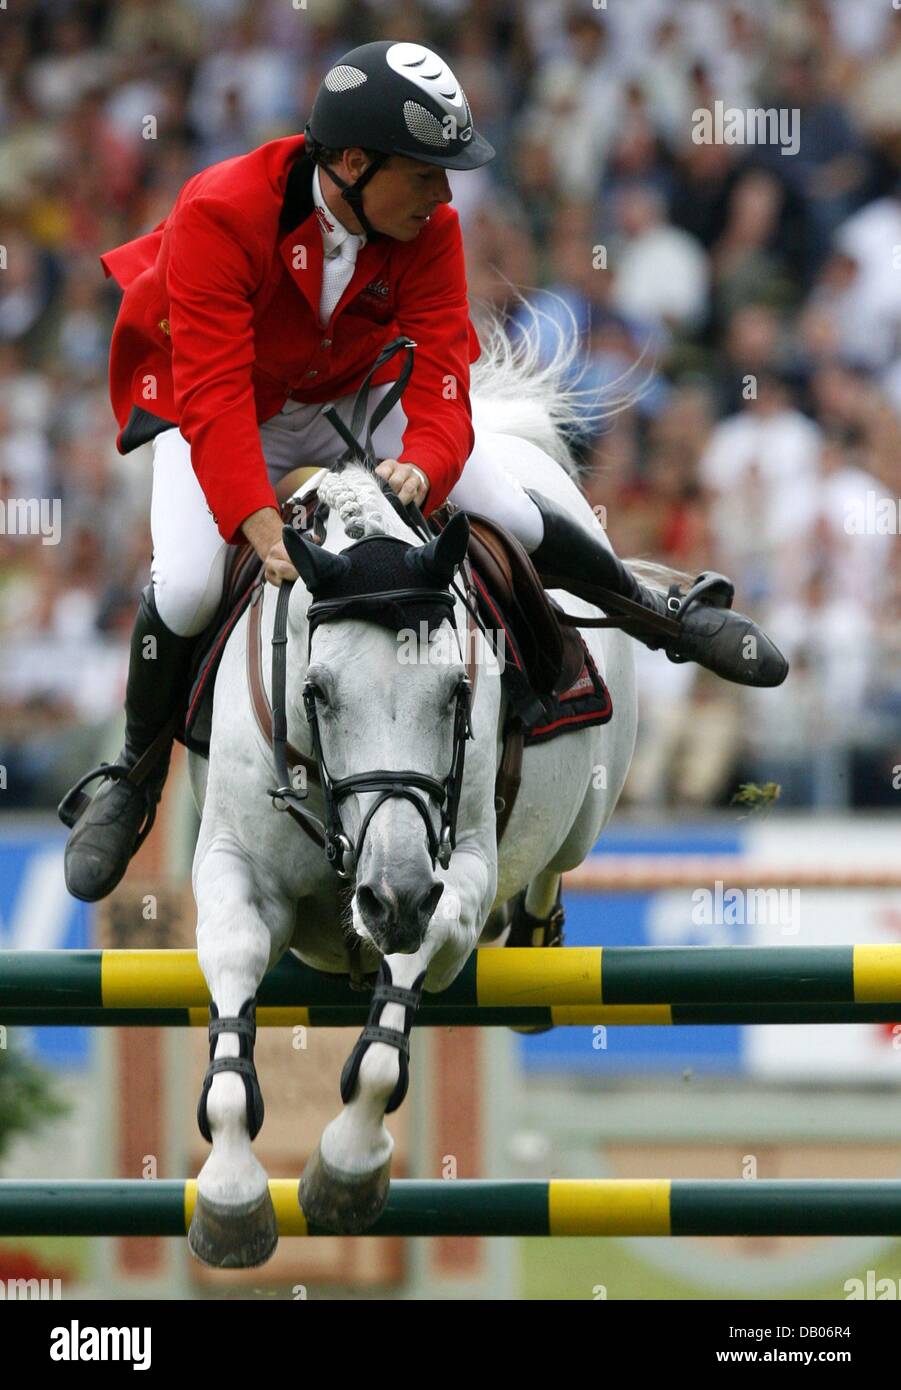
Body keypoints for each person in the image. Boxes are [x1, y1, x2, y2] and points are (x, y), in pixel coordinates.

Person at [61, 39, 787, 903]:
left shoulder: (428, 226)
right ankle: (133, 779)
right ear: (354, 165)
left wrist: (423, 469)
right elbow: (214, 395)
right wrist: (258, 523)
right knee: (183, 587)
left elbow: (444, 385)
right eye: (427, 172)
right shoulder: (219, 210)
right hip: (222, 409)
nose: (445, 195)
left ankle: (659, 614)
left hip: (351, 397)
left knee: (499, 499)